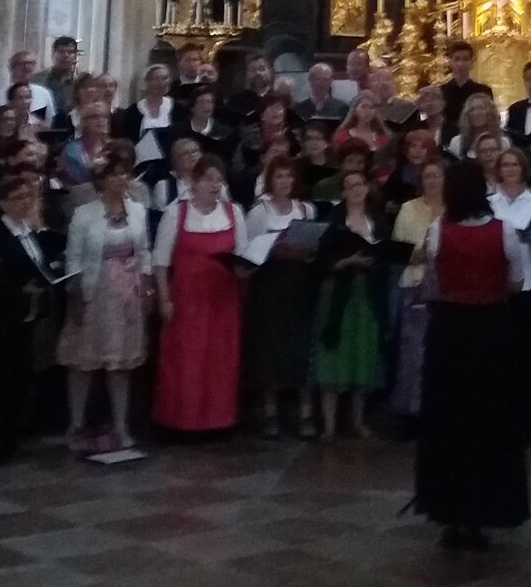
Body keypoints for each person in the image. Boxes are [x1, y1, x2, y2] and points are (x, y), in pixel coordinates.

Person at [412, 160, 531, 548]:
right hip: (493, 334)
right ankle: (486, 511)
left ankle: (449, 512)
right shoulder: (505, 232)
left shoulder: (436, 232)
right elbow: (515, 282)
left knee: (448, 422)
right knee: (491, 420)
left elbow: (433, 279)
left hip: (450, 334)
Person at [58, 144, 152, 455]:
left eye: (123, 173)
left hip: (127, 295)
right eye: (113, 174)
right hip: (94, 293)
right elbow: (73, 258)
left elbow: (145, 252)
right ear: (101, 179)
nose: (120, 179)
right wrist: (74, 294)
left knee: (120, 365)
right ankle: (76, 424)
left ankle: (121, 425)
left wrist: (148, 288)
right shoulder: (84, 214)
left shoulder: (137, 211)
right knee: (83, 364)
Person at [152, 155, 249, 434]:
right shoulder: (177, 213)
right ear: (194, 182)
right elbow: (161, 261)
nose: (215, 185)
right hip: (187, 297)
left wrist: (244, 271)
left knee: (219, 359)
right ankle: (181, 421)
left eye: (219, 179)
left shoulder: (233, 213)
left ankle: (217, 421)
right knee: (186, 358)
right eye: (208, 178)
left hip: (222, 298)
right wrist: (164, 298)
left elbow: (241, 255)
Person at [0, 171, 62, 463]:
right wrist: (23, 292)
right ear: (2, 203)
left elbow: (38, 265)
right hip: (4, 318)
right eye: (18, 197)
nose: (26, 202)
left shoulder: (28, 231)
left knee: (19, 380)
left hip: (27, 316)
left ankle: (9, 439)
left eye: (29, 196)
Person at [244, 155, 320, 436]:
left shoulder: (306, 209)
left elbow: (315, 248)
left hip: (299, 284)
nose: (284, 182)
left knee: (301, 348)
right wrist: (274, 249)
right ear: (269, 180)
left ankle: (305, 412)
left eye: (289, 176)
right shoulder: (259, 213)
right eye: (279, 176)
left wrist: (306, 251)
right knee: (271, 348)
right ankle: (271, 413)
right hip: (271, 285)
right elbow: (250, 251)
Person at [313, 167, 385, 439]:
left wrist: (376, 258)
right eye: (350, 186)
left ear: (367, 188)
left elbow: (385, 250)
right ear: (342, 192)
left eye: (360, 185)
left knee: (363, 353)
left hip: (367, 292)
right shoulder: (333, 219)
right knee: (333, 353)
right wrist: (343, 262)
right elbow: (319, 258)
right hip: (339, 291)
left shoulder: (376, 218)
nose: (355, 190)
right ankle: (329, 426)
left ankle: (358, 422)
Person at [489, 146, 531, 436]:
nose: (510, 170)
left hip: (529, 286)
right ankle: (500, 420)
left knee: (525, 357)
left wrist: (528, 239)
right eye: (505, 165)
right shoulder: (491, 203)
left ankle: (525, 423)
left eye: (515, 165)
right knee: (499, 358)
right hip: (499, 286)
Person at [388, 156, 448, 428]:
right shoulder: (408, 209)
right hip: (415, 284)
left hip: (448, 288)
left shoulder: (454, 209)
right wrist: (423, 252)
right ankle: (410, 412)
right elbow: (401, 249)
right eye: (428, 176)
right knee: (413, 351)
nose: (433, 181)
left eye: (438, 176)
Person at [114, 64, 177, 155]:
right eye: (156, 78)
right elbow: (127, 141)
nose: (161, 82)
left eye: (165, 78)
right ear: (146, 82)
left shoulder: (177, 108)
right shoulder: (132, 112)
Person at [0, 50, 54, 129]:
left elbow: (49, 123)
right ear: (12, 68)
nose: (27, 67)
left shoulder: (44, 93)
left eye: (31, 63)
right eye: (22, 64)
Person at [434, 40, 491, 130]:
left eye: (465, 59)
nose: (461, 64)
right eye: (457, 59)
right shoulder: (440, 92)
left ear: (471, 62)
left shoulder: (483, 91)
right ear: (450, 62)